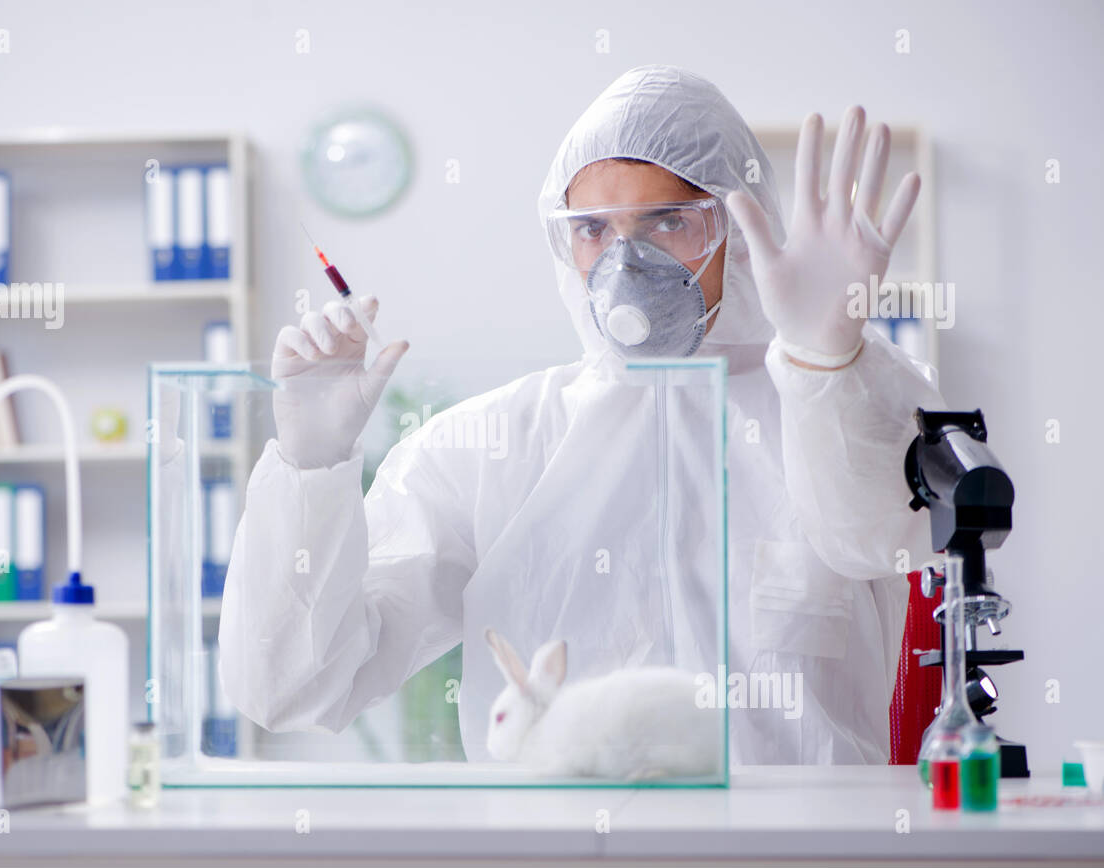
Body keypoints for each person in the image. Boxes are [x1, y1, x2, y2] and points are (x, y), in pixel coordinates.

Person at [218, 65, 943, 765]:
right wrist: (310, 467)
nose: (625, 261)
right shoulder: (493, 448)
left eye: (668, 222)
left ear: (740, 229)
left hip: (794, 853)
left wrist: (827, 360)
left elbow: (890, 537)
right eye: (593, 228)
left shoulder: (830, 398)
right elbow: (296, 687)